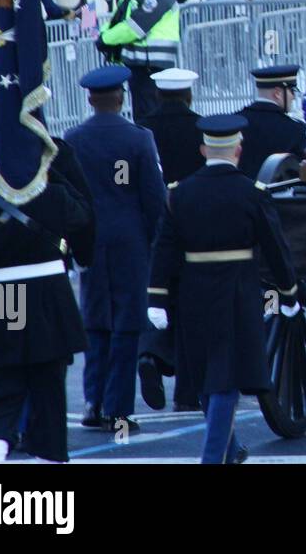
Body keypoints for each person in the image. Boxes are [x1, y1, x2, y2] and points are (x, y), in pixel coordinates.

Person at [148, 114, 301, 465]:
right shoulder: (252, 193)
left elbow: (164, 248)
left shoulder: (179, 194)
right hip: (236, 293)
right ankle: (213, 458)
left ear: (204, 150)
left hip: (192, 292)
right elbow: (276, 248)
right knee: (225, 381)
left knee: (206, 377)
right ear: (238, 149)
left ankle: (230, 451)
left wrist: (156, 297)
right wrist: (289, 292)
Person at [0, 176, 94, 463]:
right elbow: (85, 217)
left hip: (2, 303)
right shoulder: (56, 198)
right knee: (50, 393)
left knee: (4, 391)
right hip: (50, 304)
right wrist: (51, 173)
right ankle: (50, 456)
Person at [64, 65, 166, 434]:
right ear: (121, 97)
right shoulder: (139, 139)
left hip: (88, 239)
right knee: (126, 326)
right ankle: (118, 411)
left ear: (90, 99)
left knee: (96, 323)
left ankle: (93, 402)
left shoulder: (73, 138)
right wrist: (154, 240)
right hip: (129, 243)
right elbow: (154, 198)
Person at [135, 66, 203, 412]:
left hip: (155, 223)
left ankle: (150, 353)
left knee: (158, 294)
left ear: (158, 94)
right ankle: (187, 393)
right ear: (188, 95)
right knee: (190, 306)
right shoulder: (200, 130)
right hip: (193, 223)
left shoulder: (142, 129)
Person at [97, 0, 180, 119]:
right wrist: (104, 33)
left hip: (153, 68)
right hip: (138, 67)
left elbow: (134, 28)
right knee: (143, 116)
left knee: (150, 118)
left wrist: (105, 39)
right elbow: (117, 22)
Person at [236, 64, 306, 183]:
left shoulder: (234, 123)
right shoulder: (295, 129)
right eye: (292, 91)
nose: (293, 97)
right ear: (278, 93)